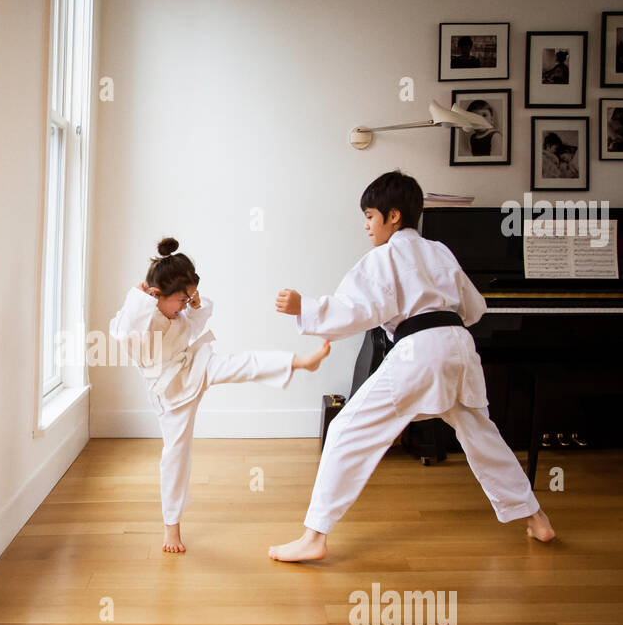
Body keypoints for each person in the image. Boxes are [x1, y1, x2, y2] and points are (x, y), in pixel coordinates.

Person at [266, 170, 555, 562]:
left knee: (346, 431)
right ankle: (536, 517)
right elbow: (474, 308)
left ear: (394, 216)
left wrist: (306, 307)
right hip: (460, 348)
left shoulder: (384, 256)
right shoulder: (439, 250)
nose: (366, 226)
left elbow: (357, 310)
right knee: (483, 438)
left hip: (421, 351)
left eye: (370, 216)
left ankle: (314, 536)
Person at [110, 237, 331, 553]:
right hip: (171, 392)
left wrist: (193, 301)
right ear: (155, 295)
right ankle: (171, 528)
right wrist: (142, 292)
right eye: (180, 301)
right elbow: (126, 325)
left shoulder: (174, 311)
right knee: (176, 455)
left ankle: (298, 362)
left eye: (188, 301)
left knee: (243, 364)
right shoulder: (138, 319)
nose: (184, 308)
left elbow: (190, 322)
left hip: (195, 365)